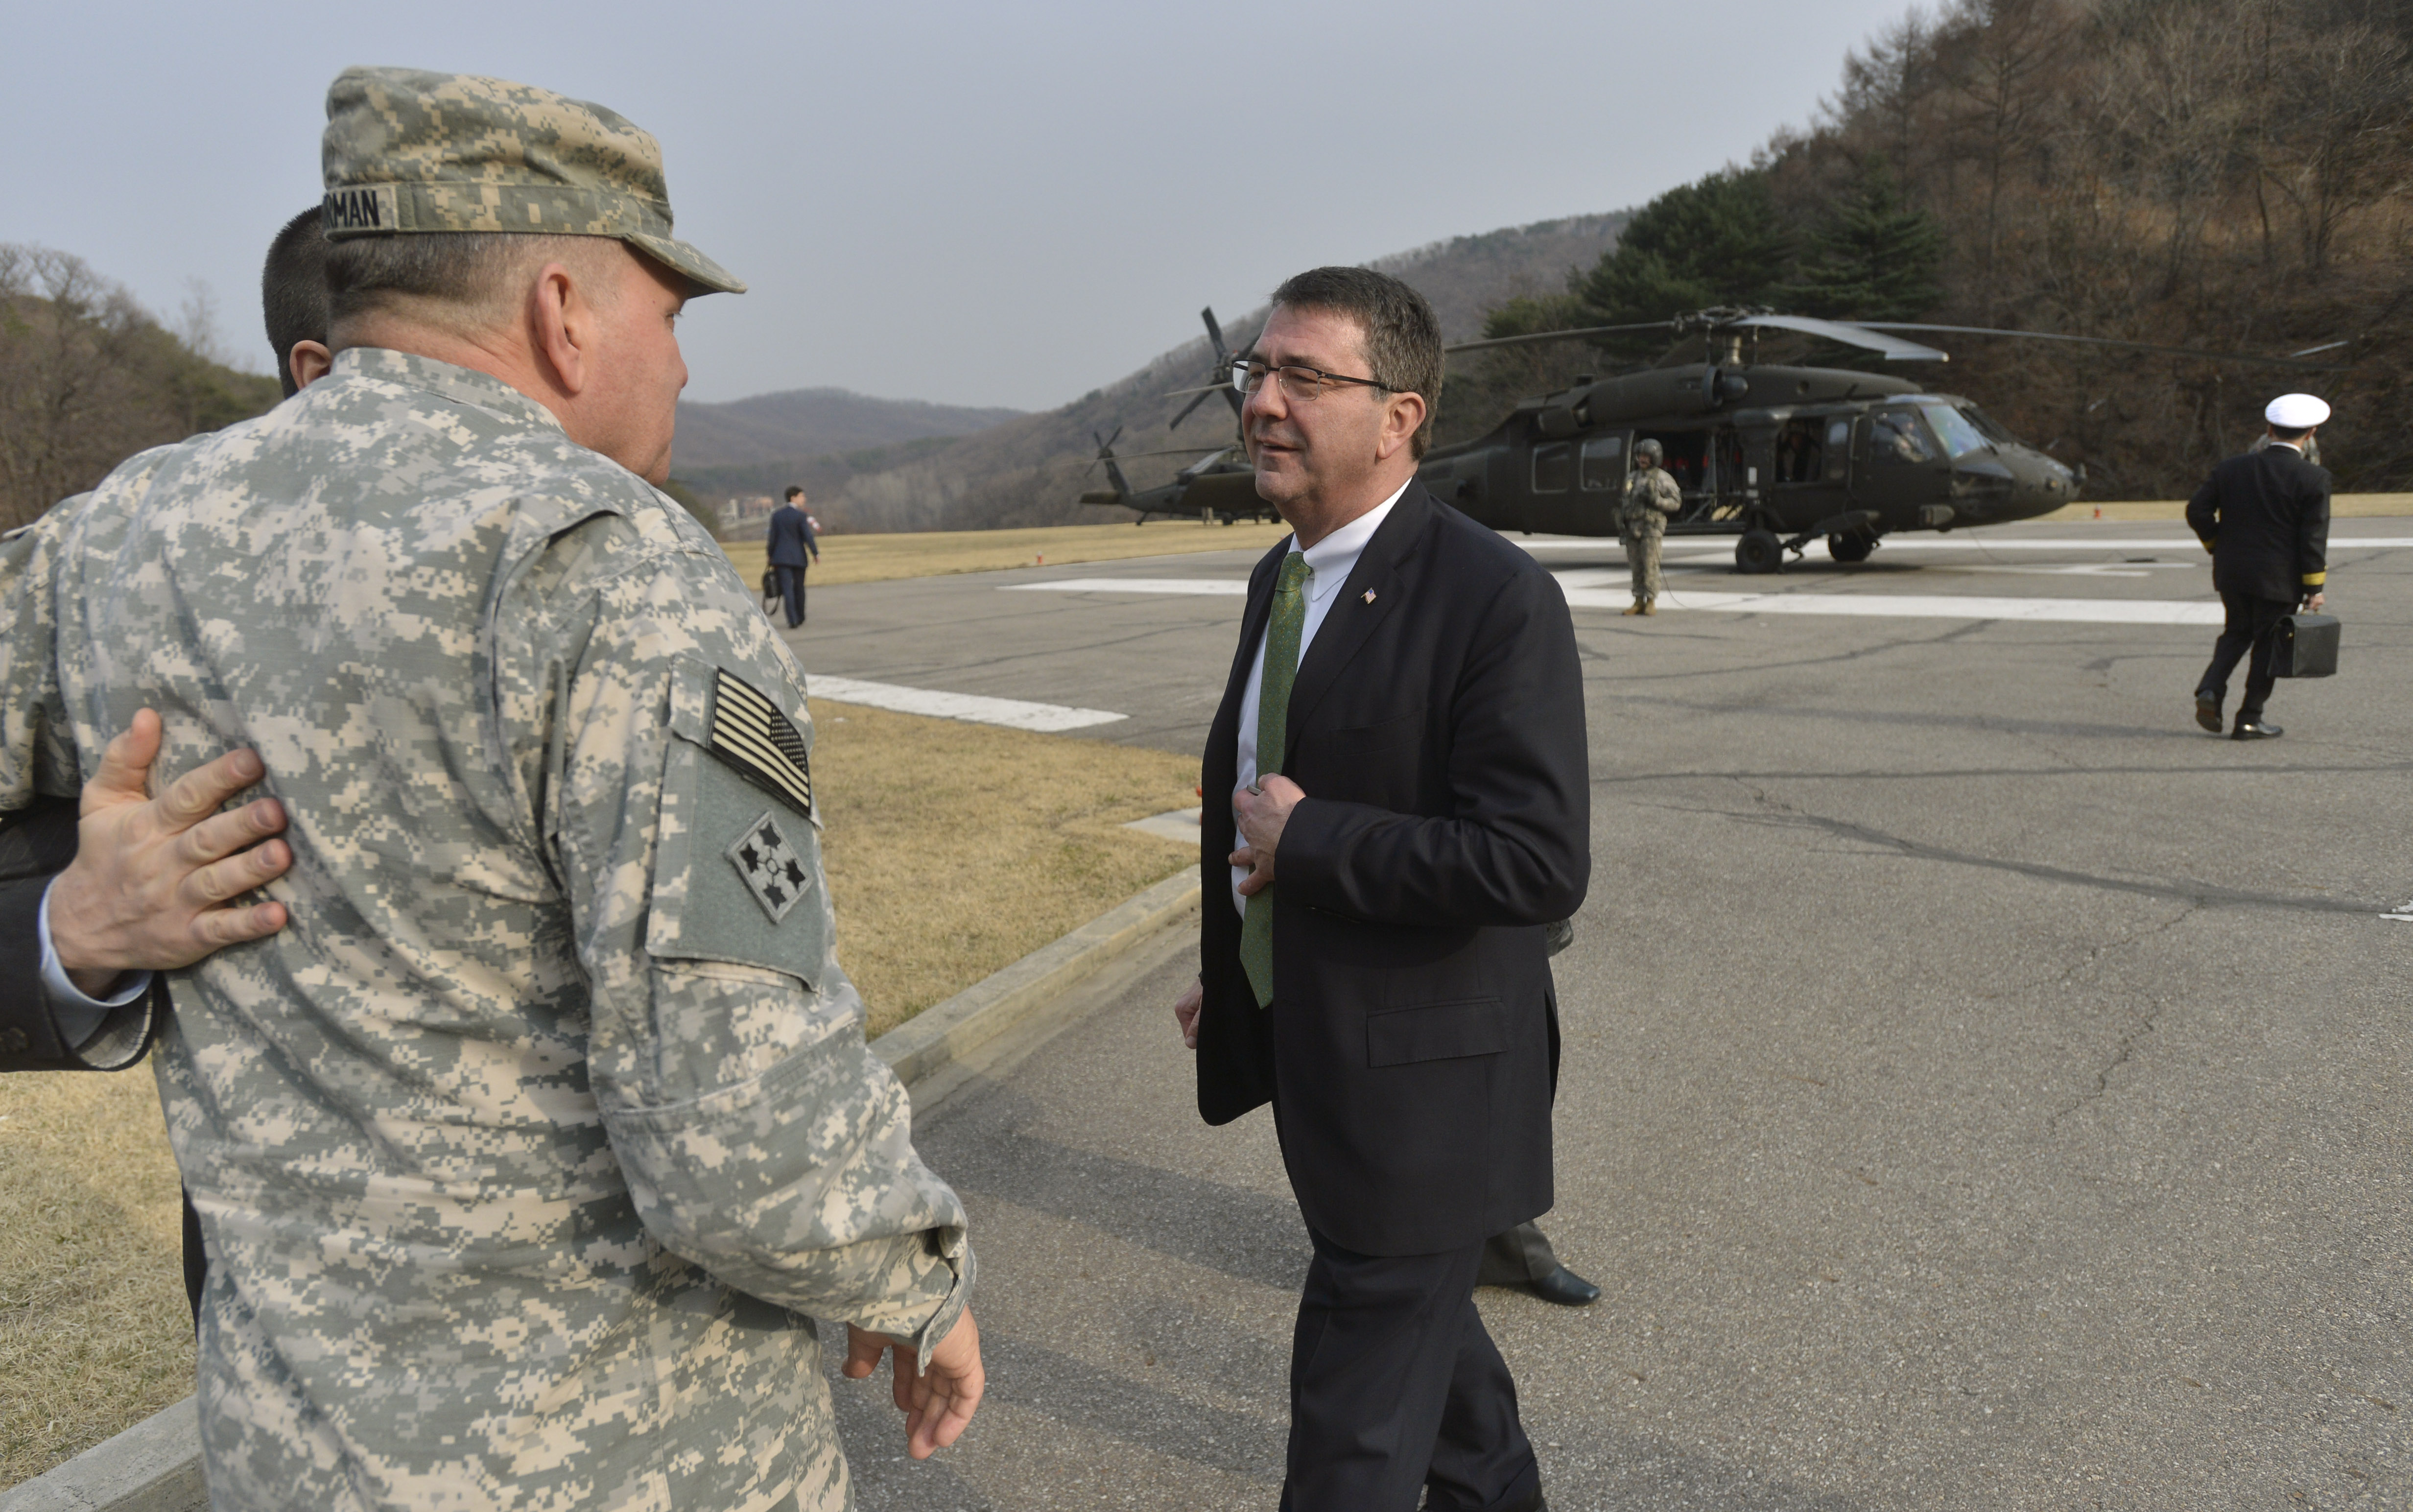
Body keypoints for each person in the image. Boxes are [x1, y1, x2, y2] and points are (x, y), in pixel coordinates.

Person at [0, 68, 980, 1511]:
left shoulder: (120, 536)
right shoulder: (614, 568)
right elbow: (734, 1131)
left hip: (296, 1462)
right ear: (564, 308)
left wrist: (60, 933)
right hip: (633, 1463)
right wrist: (915, 1280)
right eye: (674, 312)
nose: (686, 368)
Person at [1173, 266, 1589, 1512]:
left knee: (1353, 1435)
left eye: (1307, 376)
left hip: (1430, 1093)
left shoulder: (1496, 597)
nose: (1265, 401)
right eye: (1260, 372)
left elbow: (1537, 859)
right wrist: (1240, 959)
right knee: (1447, 1394)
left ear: (1400, 416)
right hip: (1321, 1053)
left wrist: (1320, 845)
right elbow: (1257, 789)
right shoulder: (1281, 577)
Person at [2186, 393, 2332, 741]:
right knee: (2267, 646)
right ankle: (2249, 719)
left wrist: (2217, 545)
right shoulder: (2314, 478)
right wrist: (2314, 588)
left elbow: (2197, 512)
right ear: (2311, 433)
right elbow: (2313, 538)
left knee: (2236, 632)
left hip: (2233, 573)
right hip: (2279, 580)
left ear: (2269, 429)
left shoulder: (2231, 468)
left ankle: (2211, 688)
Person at [1621, 437, 1683, 615]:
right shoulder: (1632, 478)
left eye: (1647, 456)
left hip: (1651, 528)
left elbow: (1676, 502)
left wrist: (1657, 501)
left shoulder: (1663, 479)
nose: (1643, 459)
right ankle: (1638, 600)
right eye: (1640, 456)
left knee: (1651, 566)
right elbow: (1625, 501)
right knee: (1636, 566)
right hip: (1633, 528)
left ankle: (1651, 601)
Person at [767, 484, 822, 627]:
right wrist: (815, 553)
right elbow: (808, 537)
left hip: (781, 558)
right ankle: (800, 616)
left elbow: (772, 538)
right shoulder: (800, 516)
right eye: (802, 496)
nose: (804, 499)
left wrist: (770, 554)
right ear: (794, 497)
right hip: (798, 557)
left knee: (787, 589)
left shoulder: (777, 515)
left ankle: (792, 620)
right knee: (799, 587)